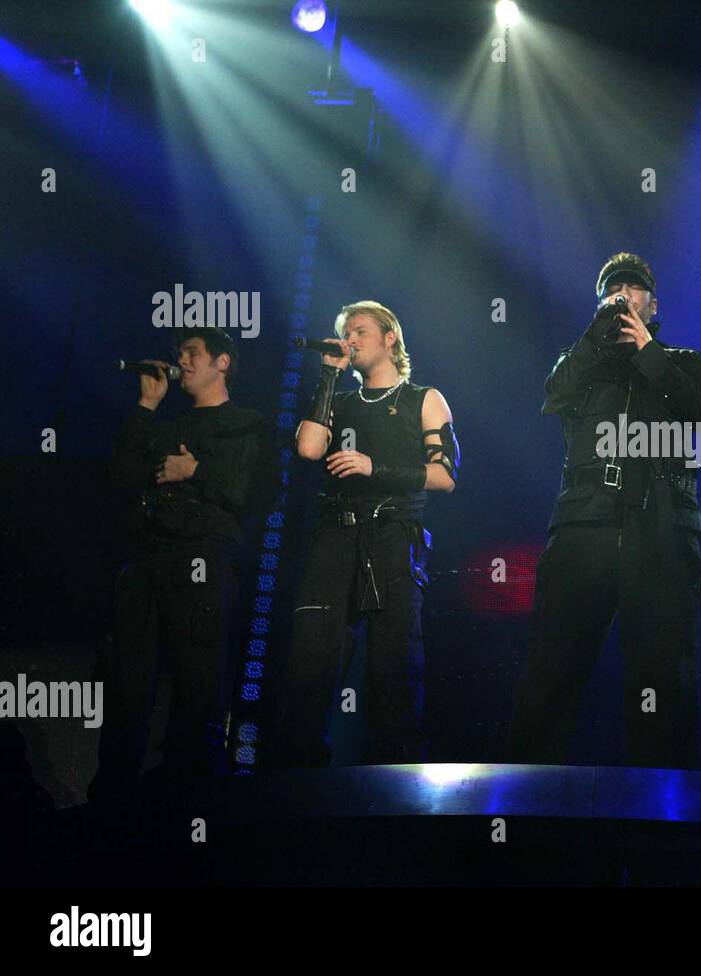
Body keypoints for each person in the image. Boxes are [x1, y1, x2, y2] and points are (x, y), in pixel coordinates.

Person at [507, 252, 701, 768]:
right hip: (586, 523)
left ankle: (664, 808)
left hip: (662, 528)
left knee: (662, 673)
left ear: (653, 304)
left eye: (634, 288)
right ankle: (527, 800)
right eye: (612, 289)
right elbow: (553, 394)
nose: (623, 295)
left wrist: (648, 351)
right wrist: (594, 338)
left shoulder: (683, 360)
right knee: (553, 666)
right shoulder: (581, 363)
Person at [277, 300, 458, 767]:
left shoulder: (423, 397)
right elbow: (308, 448)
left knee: (392, 666)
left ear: (389, 337)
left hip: (393, 535)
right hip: (336, 536)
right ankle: (303, 776)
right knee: (312, 658)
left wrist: (374, 466)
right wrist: (329, 376)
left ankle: (397, 780)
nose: (349, 340)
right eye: (344, 333)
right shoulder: (339, 401)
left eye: (358, 331)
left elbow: (445, 477)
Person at [91, 327, 269, 800]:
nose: (182, 362)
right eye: (179, 355)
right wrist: (146, 407)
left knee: (198, 684)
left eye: (192, 353)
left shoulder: (249, 425)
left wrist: (196, 471)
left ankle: (190, 799)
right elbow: (122, 483)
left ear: (222, 362)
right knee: (128, 683)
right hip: (146, 563)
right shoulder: (165, 426)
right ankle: (113, 795)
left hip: (202, 564)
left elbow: (252, 495)